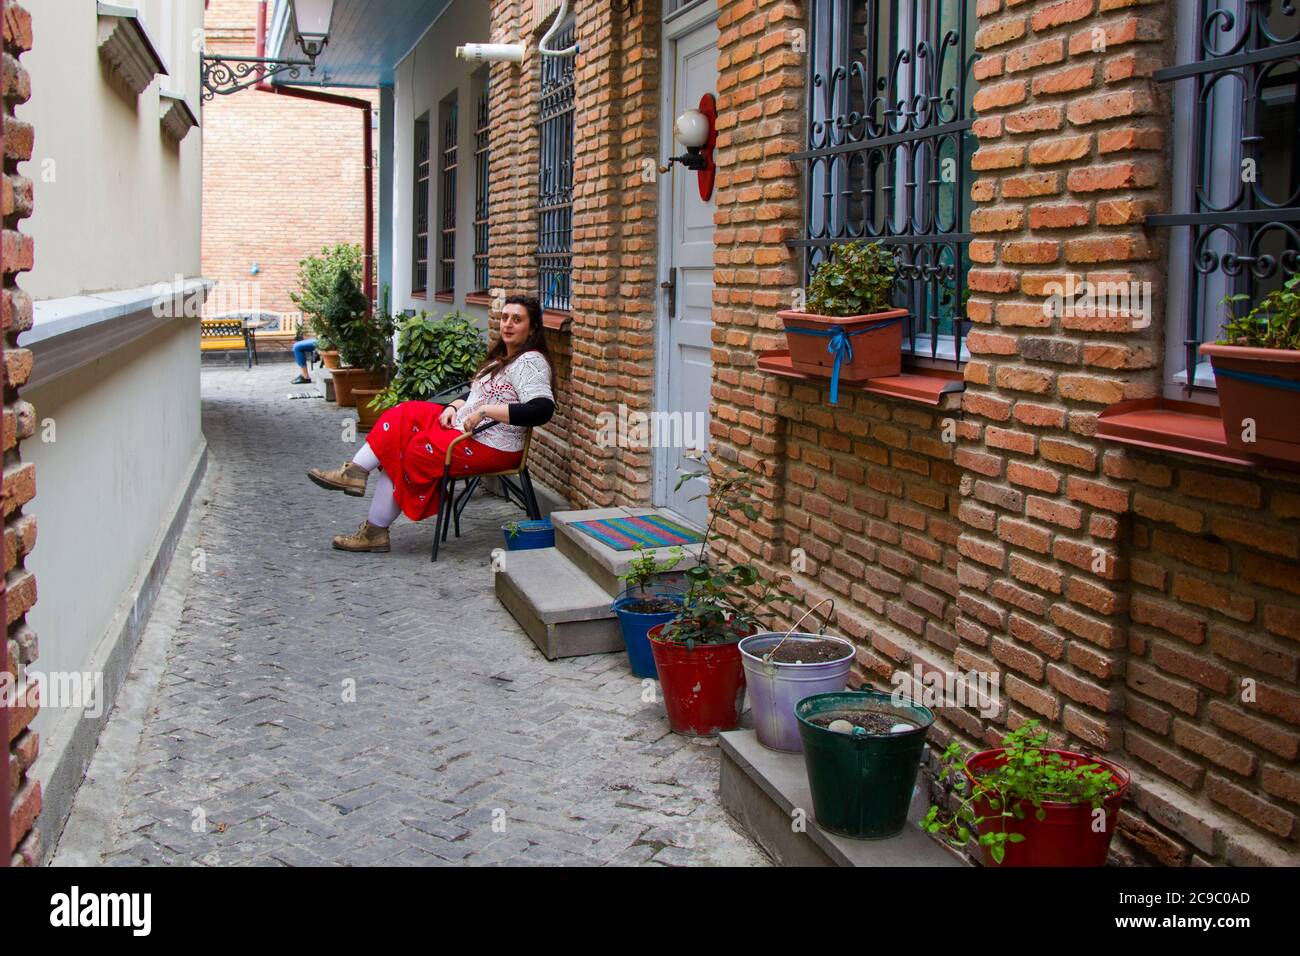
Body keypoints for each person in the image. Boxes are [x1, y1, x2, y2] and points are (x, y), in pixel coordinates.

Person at [307, 295, 555, 553]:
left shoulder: (530, 362)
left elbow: (541, 410)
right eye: (505, 318)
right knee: (404, 413)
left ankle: (375, 531)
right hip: (466, 429)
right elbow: (476, 394)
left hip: (492, 445)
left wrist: (484, 412)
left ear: (532, 328)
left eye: (517, 320)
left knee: (407, 451)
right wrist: (452, 406)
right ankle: (355, 472)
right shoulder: (502, 358)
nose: (508, 324)